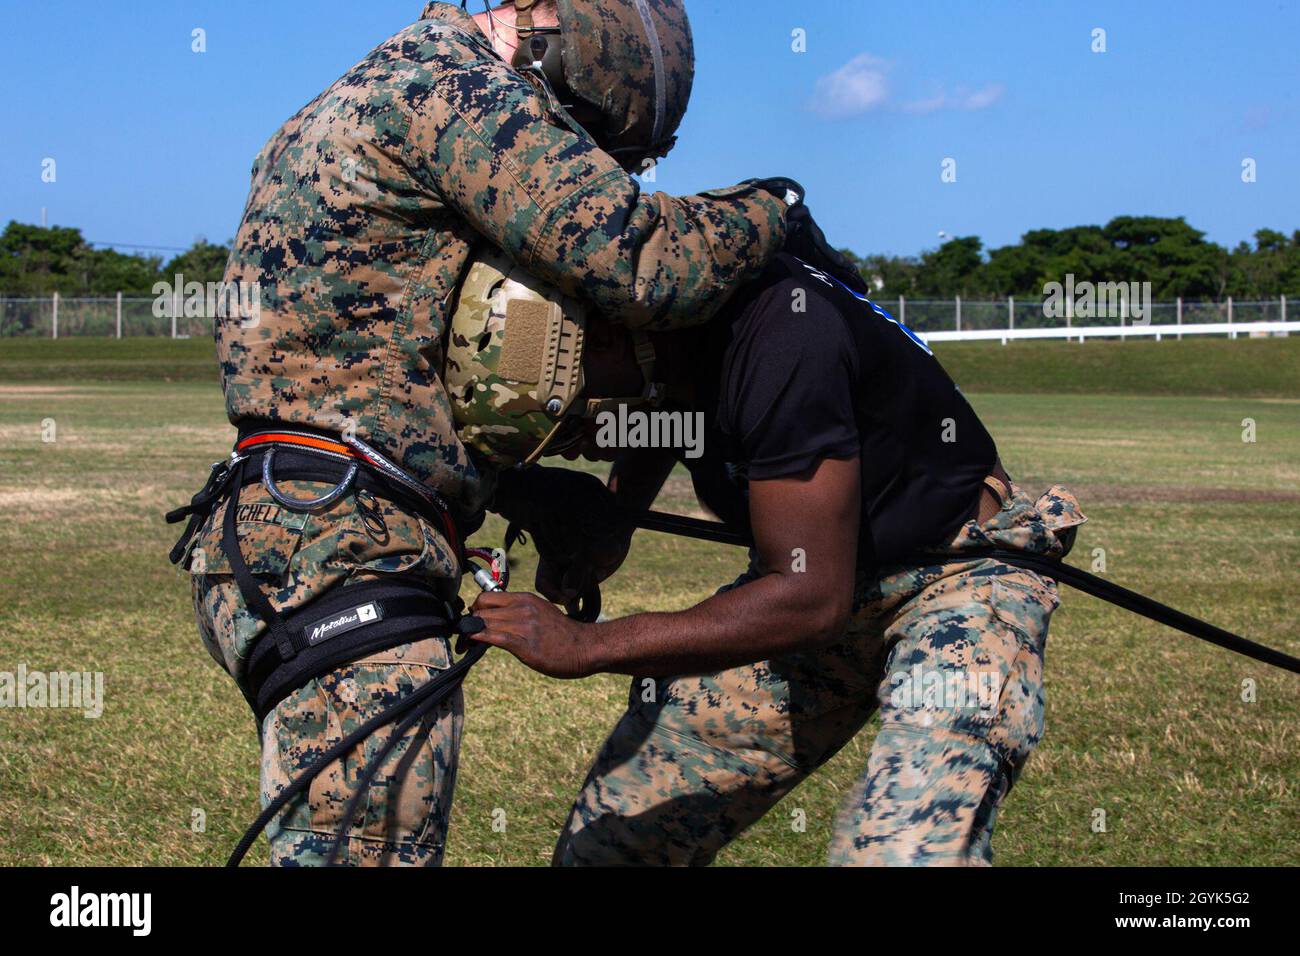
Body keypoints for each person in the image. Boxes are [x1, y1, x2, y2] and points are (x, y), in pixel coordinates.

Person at [170, 0, 798, 867]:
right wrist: (774, 206)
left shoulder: (350, 96)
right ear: (543, 49)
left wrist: (535, 493)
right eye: (588, 143)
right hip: (347, 548)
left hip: (285, 523)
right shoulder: (460, 95)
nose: (590, 164)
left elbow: (346, 375)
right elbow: (640, 262)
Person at [466, 250, 1088, 866]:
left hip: (957, 577)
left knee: (903, 853)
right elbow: (677, 415)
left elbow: (808, 600)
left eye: (577, 417)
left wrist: (585, 645)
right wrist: (613, 521)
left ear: (603, 338)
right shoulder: (664, 317)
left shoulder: (783, 337)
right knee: (613, 844)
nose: (583, 442)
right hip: (815, 573)